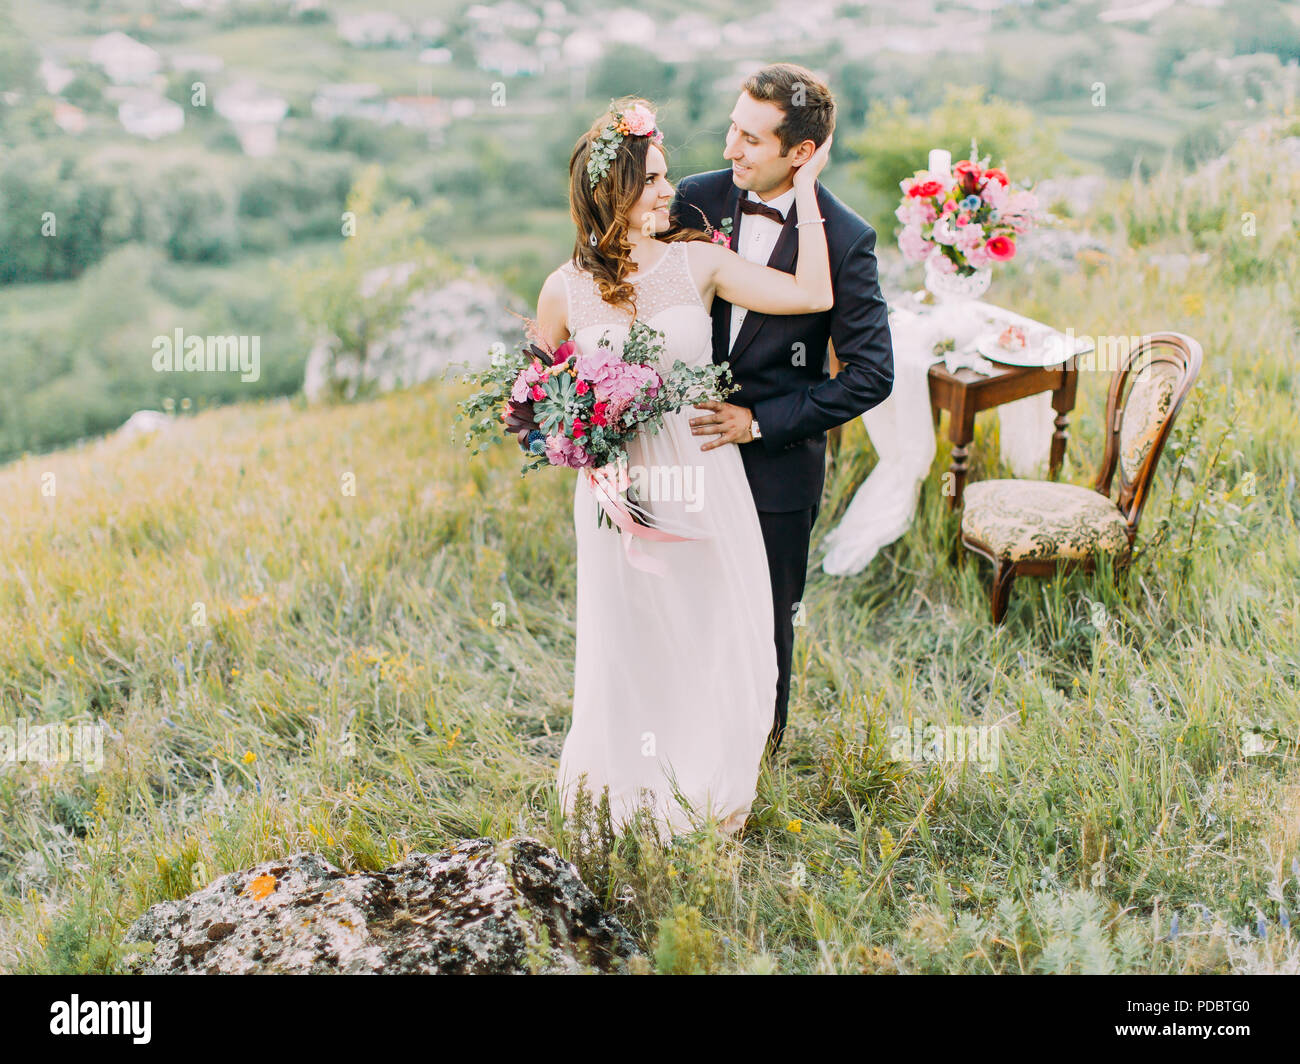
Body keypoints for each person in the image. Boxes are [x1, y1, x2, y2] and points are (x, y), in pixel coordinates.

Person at [526, 97, 832, 837]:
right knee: (630, 633)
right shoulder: (563, 288)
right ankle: (625, 776)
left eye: (665, 178)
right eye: (654, 181)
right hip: (615, 491)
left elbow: (812, 295)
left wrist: (810, 192)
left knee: (713, 622)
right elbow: (534, 397)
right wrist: (567, 431)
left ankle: (706, 770)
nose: (671, 192)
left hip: (700, 474)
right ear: (612, 192)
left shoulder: (699, 261)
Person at [670, 63, 894, 755]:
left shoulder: (847, 238)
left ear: (802, 154)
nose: (731, 150)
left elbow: (871, 375)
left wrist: (759, 423)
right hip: (681, 451)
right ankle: (677, 738)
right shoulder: (694, 199)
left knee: (766, 620)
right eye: (732, 130)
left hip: (778, 470)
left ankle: (753, 758)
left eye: (751, 140)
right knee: (681, 606)